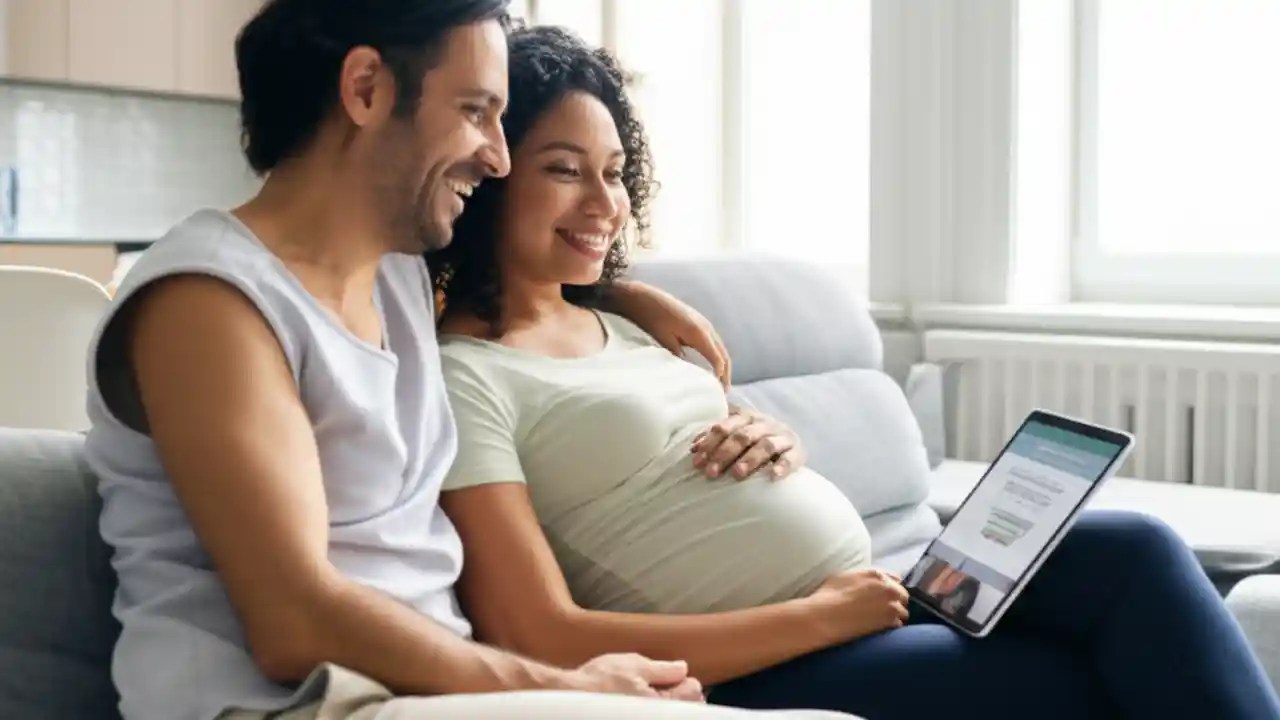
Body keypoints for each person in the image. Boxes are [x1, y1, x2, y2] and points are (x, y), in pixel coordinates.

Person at [431, 26, 1280, 720]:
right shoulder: (468, 378)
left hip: (877, 596)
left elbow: (678, 474)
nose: (604, 203)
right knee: (1080, 678)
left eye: (613, 174)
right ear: (492, 174)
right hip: (770, 667)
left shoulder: (619, 319)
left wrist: (760, 433)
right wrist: (819, 617)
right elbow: (533, 630)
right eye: (564, 169)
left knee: (1134, 546)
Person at [82, 2, 854, 719]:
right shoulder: (207, 302)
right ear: (365, 89)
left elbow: (517, 295)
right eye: (476, 112)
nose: (495, 157)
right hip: (296, 704)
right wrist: (571, 686)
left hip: (432, 694)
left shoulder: (394, 276)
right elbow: (294, 620)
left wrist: (624, 296)